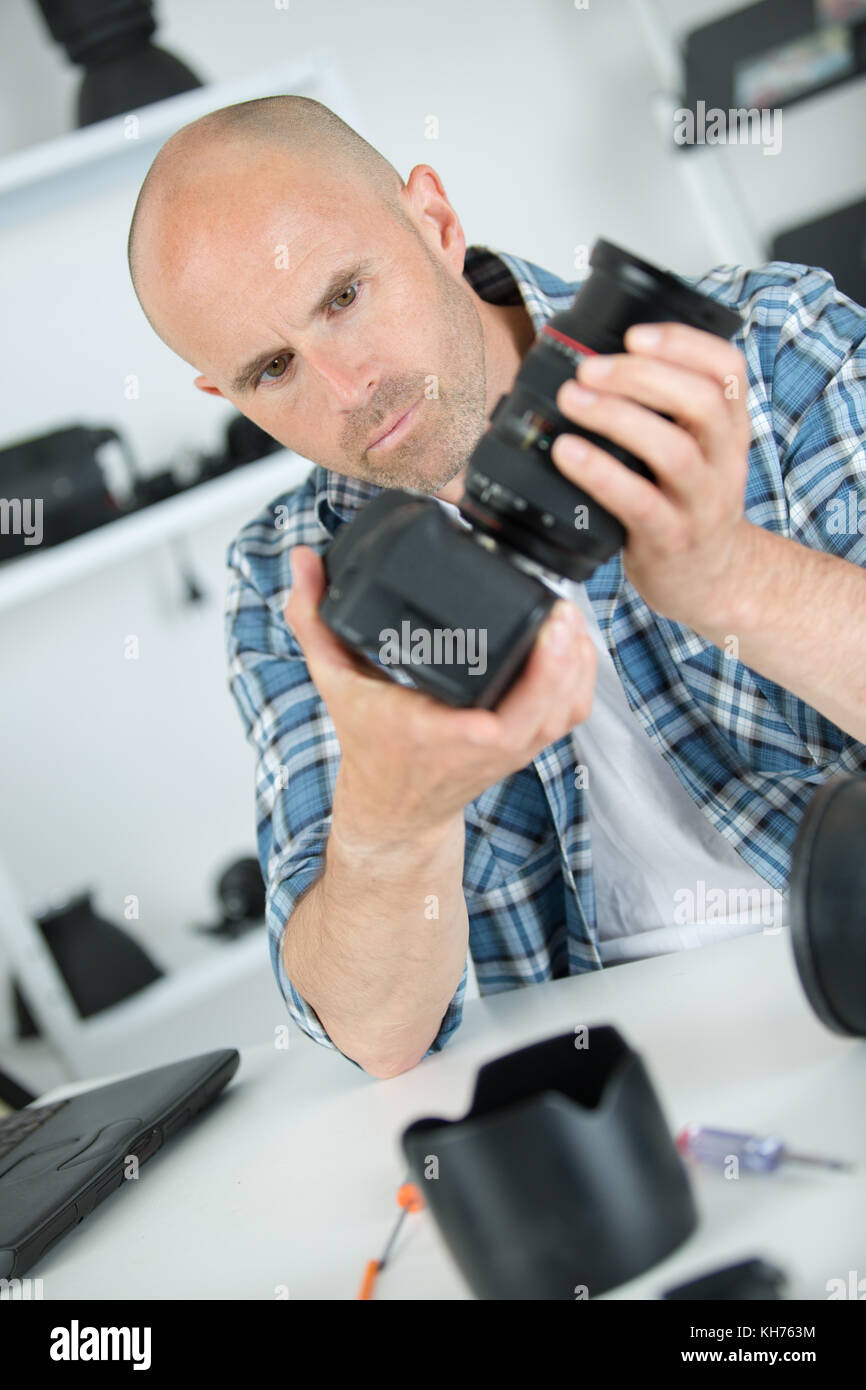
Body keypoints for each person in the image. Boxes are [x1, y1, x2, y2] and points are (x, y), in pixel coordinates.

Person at [127, 96, 866, 1078]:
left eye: (343, 296)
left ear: (432, 221)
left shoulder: (761, 348)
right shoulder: (289, 575)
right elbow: (373, 1033)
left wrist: (731, 578)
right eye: (271, 368)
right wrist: (391, 823)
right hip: (618, 1077)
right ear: (226, 399)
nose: (346, 388)